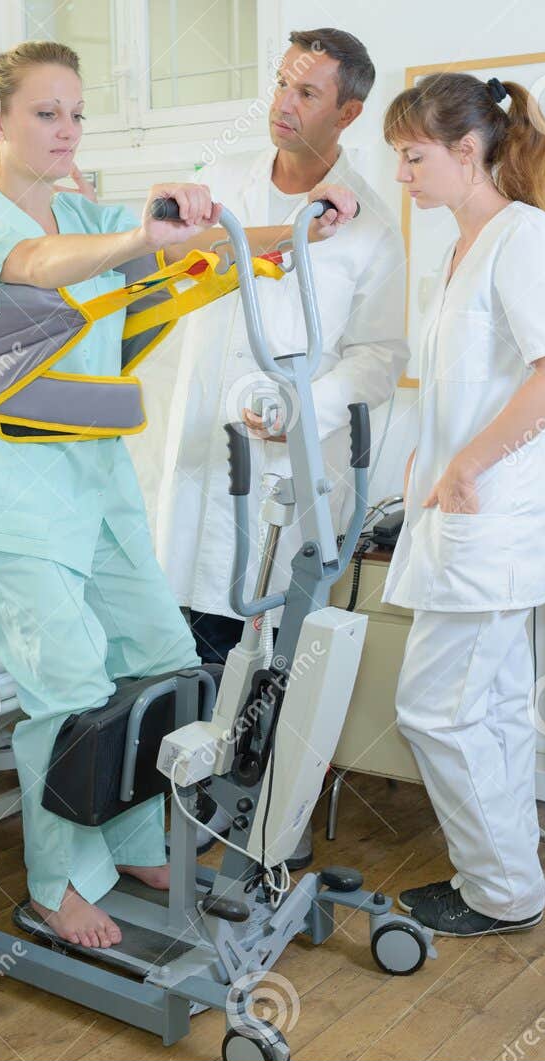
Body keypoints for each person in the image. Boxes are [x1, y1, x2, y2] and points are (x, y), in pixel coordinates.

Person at [0, 40, 357, 950]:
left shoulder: (84, 208)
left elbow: (193, 249)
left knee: (158, 655)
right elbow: (41, 264)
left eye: (76, 113)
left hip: (95, 477)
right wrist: (138, 234)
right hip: (7, 487)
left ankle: (127, 841)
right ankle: (59, 884)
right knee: (70, 688)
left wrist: (298, 230)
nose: (66, 130)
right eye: (46, 113)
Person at [380, 73, 545, 936]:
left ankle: (497, 888)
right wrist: (434, 452)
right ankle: (506, 888)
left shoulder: (521, 235)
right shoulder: (461, 248)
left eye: (413, 156)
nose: (403, 175)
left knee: (433, 710)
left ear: (468, 151)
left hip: (489, 516)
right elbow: (468, 382)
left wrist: (466, 460)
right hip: (459, 511)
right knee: (493, 710)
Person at [154, 27, 407, 667]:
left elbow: (380, 356)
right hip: (199, 460)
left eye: (307, 93)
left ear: (348, 114)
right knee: (176, 656)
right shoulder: (218, 184)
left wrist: (301, 411)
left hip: (284, 469)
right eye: (281, 83)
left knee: (264, 674)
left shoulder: (370, 228)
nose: (283, 105)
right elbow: (162, 261)